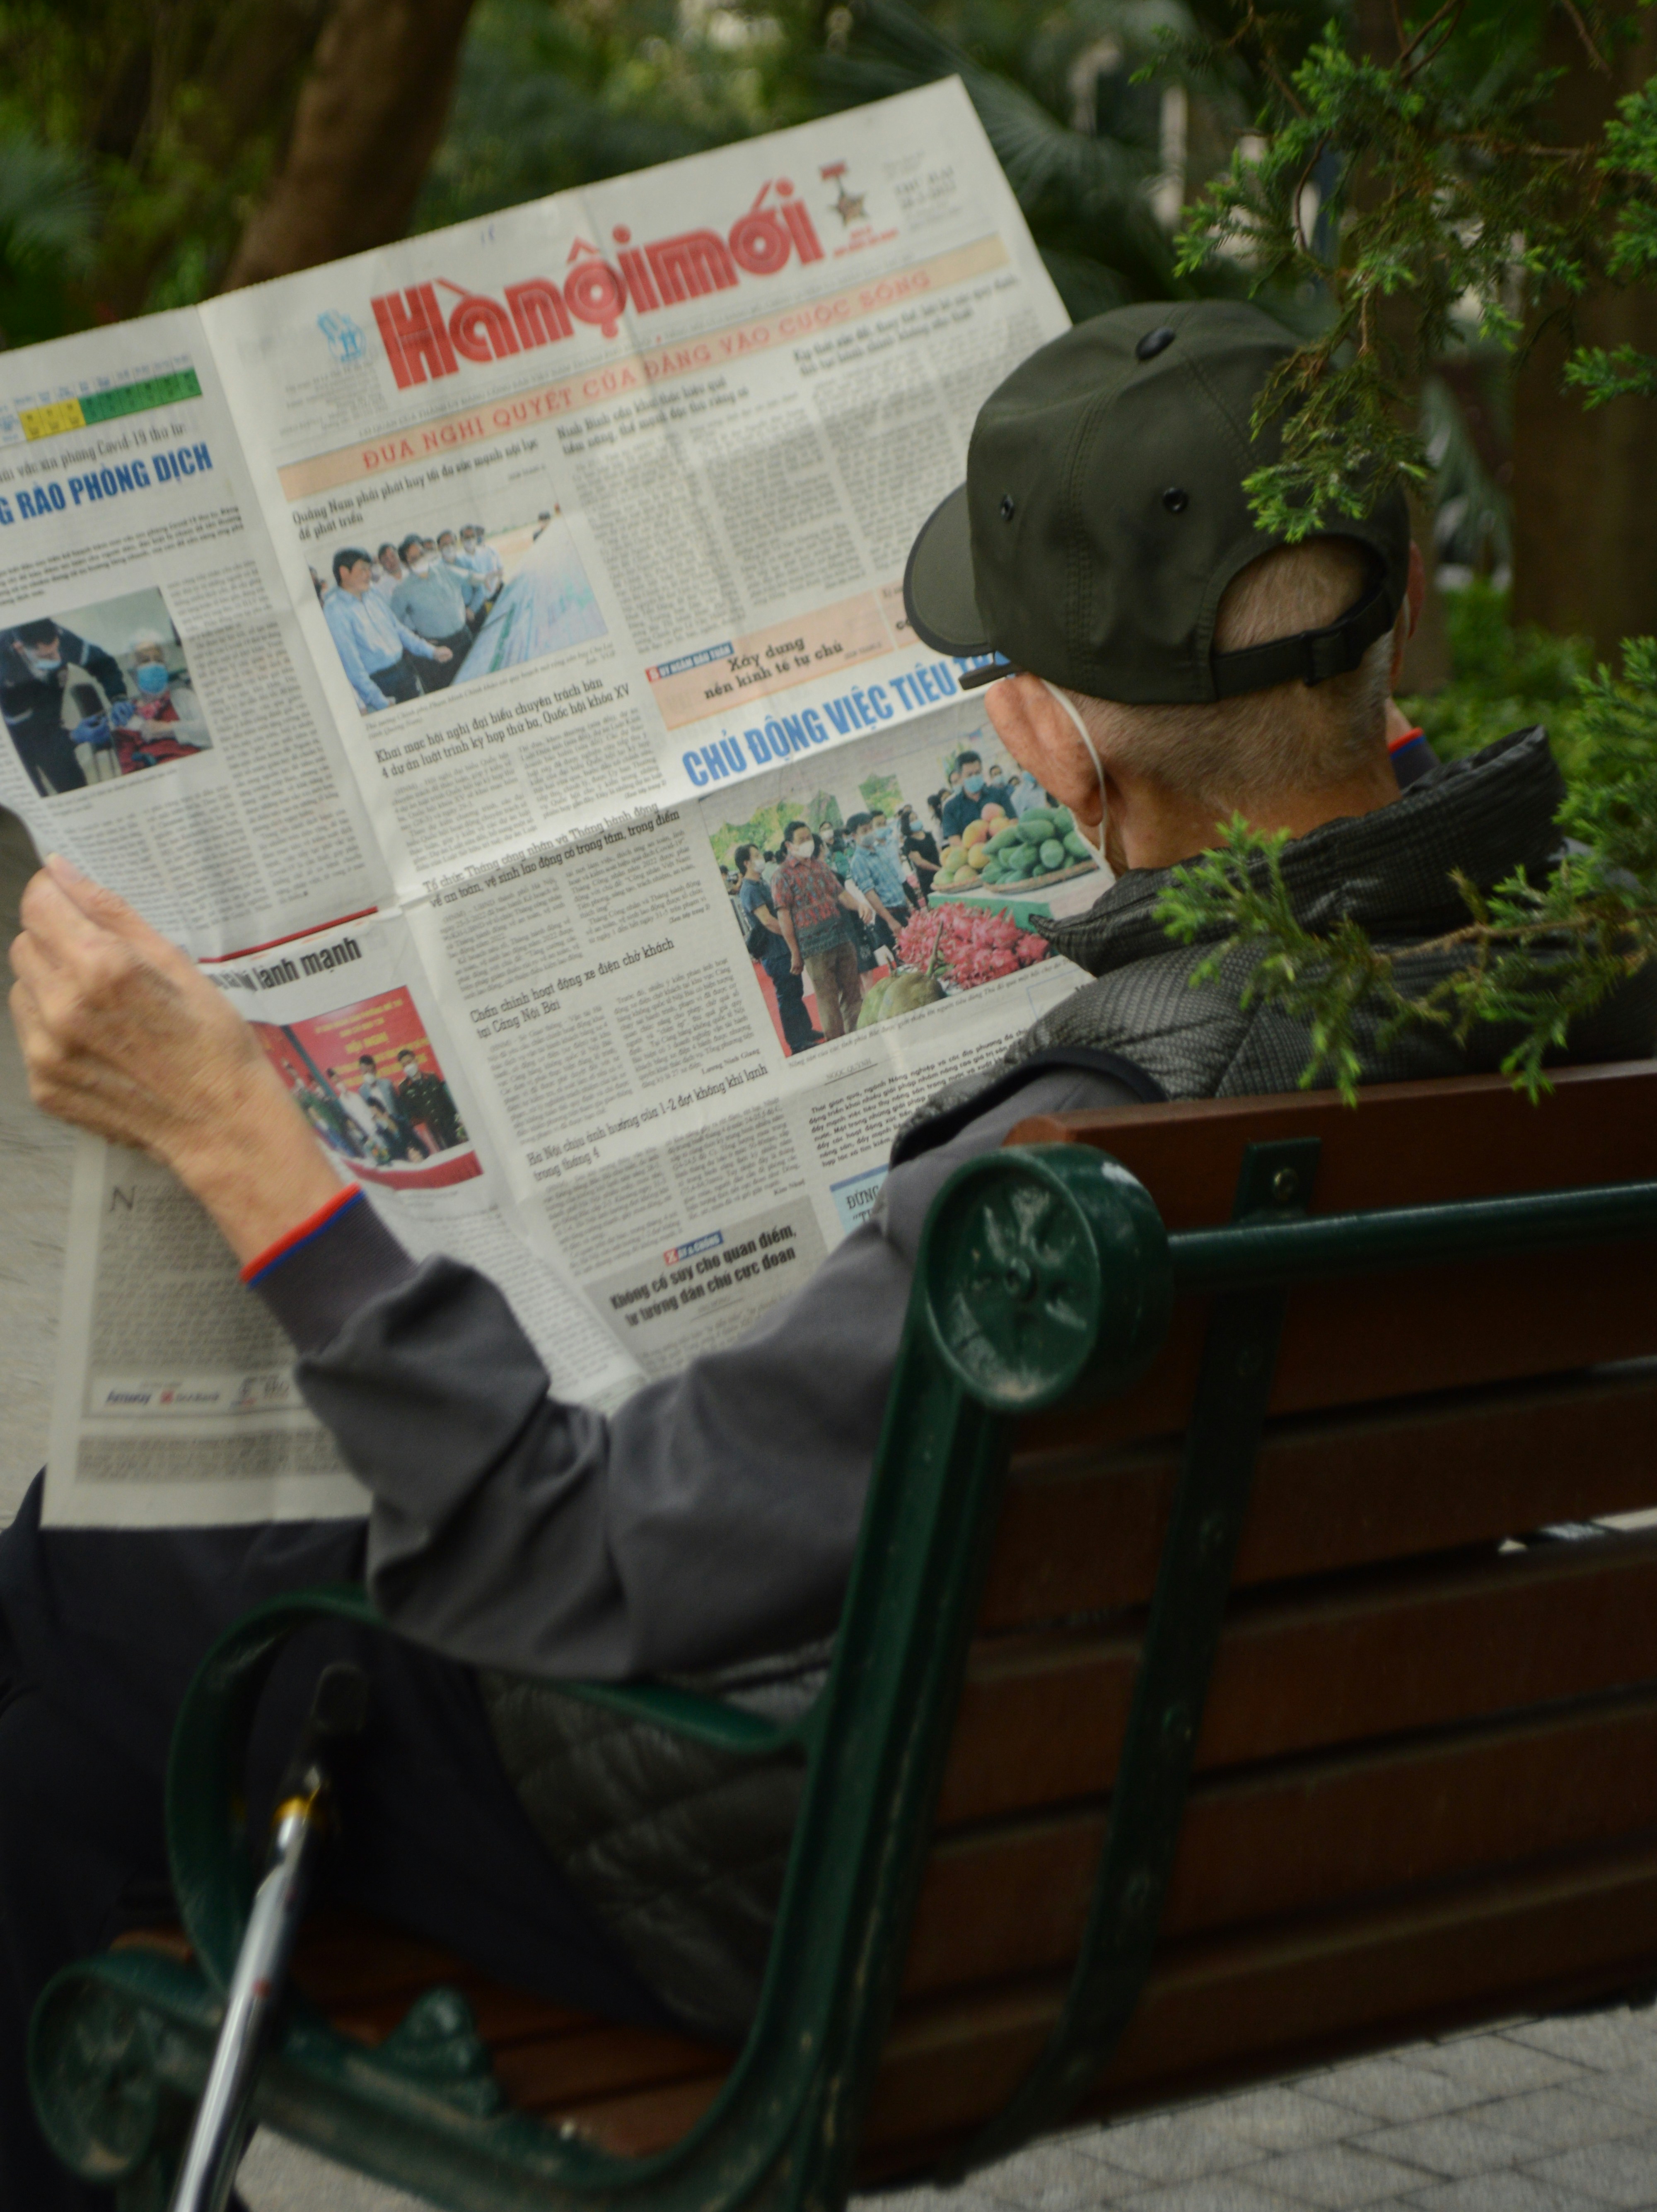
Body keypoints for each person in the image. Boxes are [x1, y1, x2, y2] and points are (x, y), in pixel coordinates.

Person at [9, 301, 1655, 2212]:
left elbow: (558, 1552)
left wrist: (234, 1132)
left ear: (1055, 745)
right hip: (1261, 1821)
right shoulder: (1564, 991)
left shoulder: (1088, 1163)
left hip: (849, 1875)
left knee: (75, 1590)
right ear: (1371, 647)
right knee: (63, 1747)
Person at [0, 619, 130, 796]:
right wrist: (74, 737)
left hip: (51, 722)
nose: (58, 660)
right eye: (46, 657)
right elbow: (32, 740)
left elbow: (103, 664)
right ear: (19, 648)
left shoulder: (62, 637)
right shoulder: (6, 674)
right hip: (16, 737)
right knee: (35, 794)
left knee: (76, 789)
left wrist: (118, 697)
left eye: (57, 650)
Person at [773, 820, 876, 1041]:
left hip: (841, 938)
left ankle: (859, 1039)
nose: (808, 843)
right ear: (789, 846)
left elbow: (840, 895)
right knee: (829, 1002)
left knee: (852, 995)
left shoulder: (821, 867)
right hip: (815, 949)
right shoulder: (782, 876)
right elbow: (784, 918)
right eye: (802, 840)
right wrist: (795, 953)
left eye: (809, 838)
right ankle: (839, 1046)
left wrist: (860, 905)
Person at [323, 548, 451, 710]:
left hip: (404, 671)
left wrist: (432, 651)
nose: (369, 574)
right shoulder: (335, 610)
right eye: (363, 569)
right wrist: (379, 701)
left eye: (369, 569)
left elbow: (399, 630)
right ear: (344, 572)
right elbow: (352, 665)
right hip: (380, 685)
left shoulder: (373, 595)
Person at [734, 841, 819, 1057]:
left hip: (783, 948)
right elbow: (768, 921)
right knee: (787, 997)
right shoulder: (750, 890)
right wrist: (792, 933)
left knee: (795, 992)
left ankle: (805, 1031)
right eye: (756, 855)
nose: (760, 857)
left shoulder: (760, 884)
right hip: (775, 952)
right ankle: (796, 1042)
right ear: (747, 863)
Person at [112, 631, 211, 774]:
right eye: (145, 661)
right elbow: (129, 768)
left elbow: (212, 732)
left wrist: (169, 729)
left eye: (159, 660)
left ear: (166, 667)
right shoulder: (128, 716)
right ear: (133, 673)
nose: (153, 665)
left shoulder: (184, 698)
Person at [392, 539, 474, 685]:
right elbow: (393, 624)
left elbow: (469, 578)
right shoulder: (403, 590)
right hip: (440, 649)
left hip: (464, 637)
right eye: (414, 559)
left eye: (421, 554)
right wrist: (418, 640)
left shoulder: (443, 569)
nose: (420, 560)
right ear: (406, 564)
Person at [843, 813, 912, 937]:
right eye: (865, 831)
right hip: (890, 916)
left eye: (871, 828)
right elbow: (870, 894)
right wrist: (891, 921)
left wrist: (909, 904)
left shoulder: (879, 850)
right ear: (854, 836)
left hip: (903, 909)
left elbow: (895, 880)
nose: (870, 832)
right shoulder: (859, 861)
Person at [357, 1054, 431, 1162]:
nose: (369, 1074)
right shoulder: (362, 1091)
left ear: (375, 1069)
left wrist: (405, 1122)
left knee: (416, 1151)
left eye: (371, 1070)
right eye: (365, 1072)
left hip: (398, 1125)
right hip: (386, 1130)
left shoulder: (387, 1084)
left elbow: (399, 1105)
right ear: (361, 1072)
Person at [394, 1046, 467, 1151]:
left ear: (416, 1060)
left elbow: (447, 1103)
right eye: (404, 1065)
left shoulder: (432, 1078)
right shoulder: (404, 1088)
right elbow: (410, 1116)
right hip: (431, 1136)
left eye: (409, 1062)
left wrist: (458, 1122)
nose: (408, 1066)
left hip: (449, 1127)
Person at [940, 749, 995, 843]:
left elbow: (1013, 822)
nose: (974, 778)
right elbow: (955, 842)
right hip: (973, 855)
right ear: (960, 777)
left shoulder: (998, 794)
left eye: (978, 773)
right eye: (969, 775)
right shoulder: (951, 808)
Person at [898, 803, 941, 895]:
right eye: (912, 820)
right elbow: (920, 863)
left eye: (916, 818)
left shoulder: (928, 835)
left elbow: (939, 850)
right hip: (927, 878)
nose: (916, 821)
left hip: (941, 871)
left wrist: (944, 866)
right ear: (906, 824)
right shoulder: (909, 843)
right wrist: (939, 869)